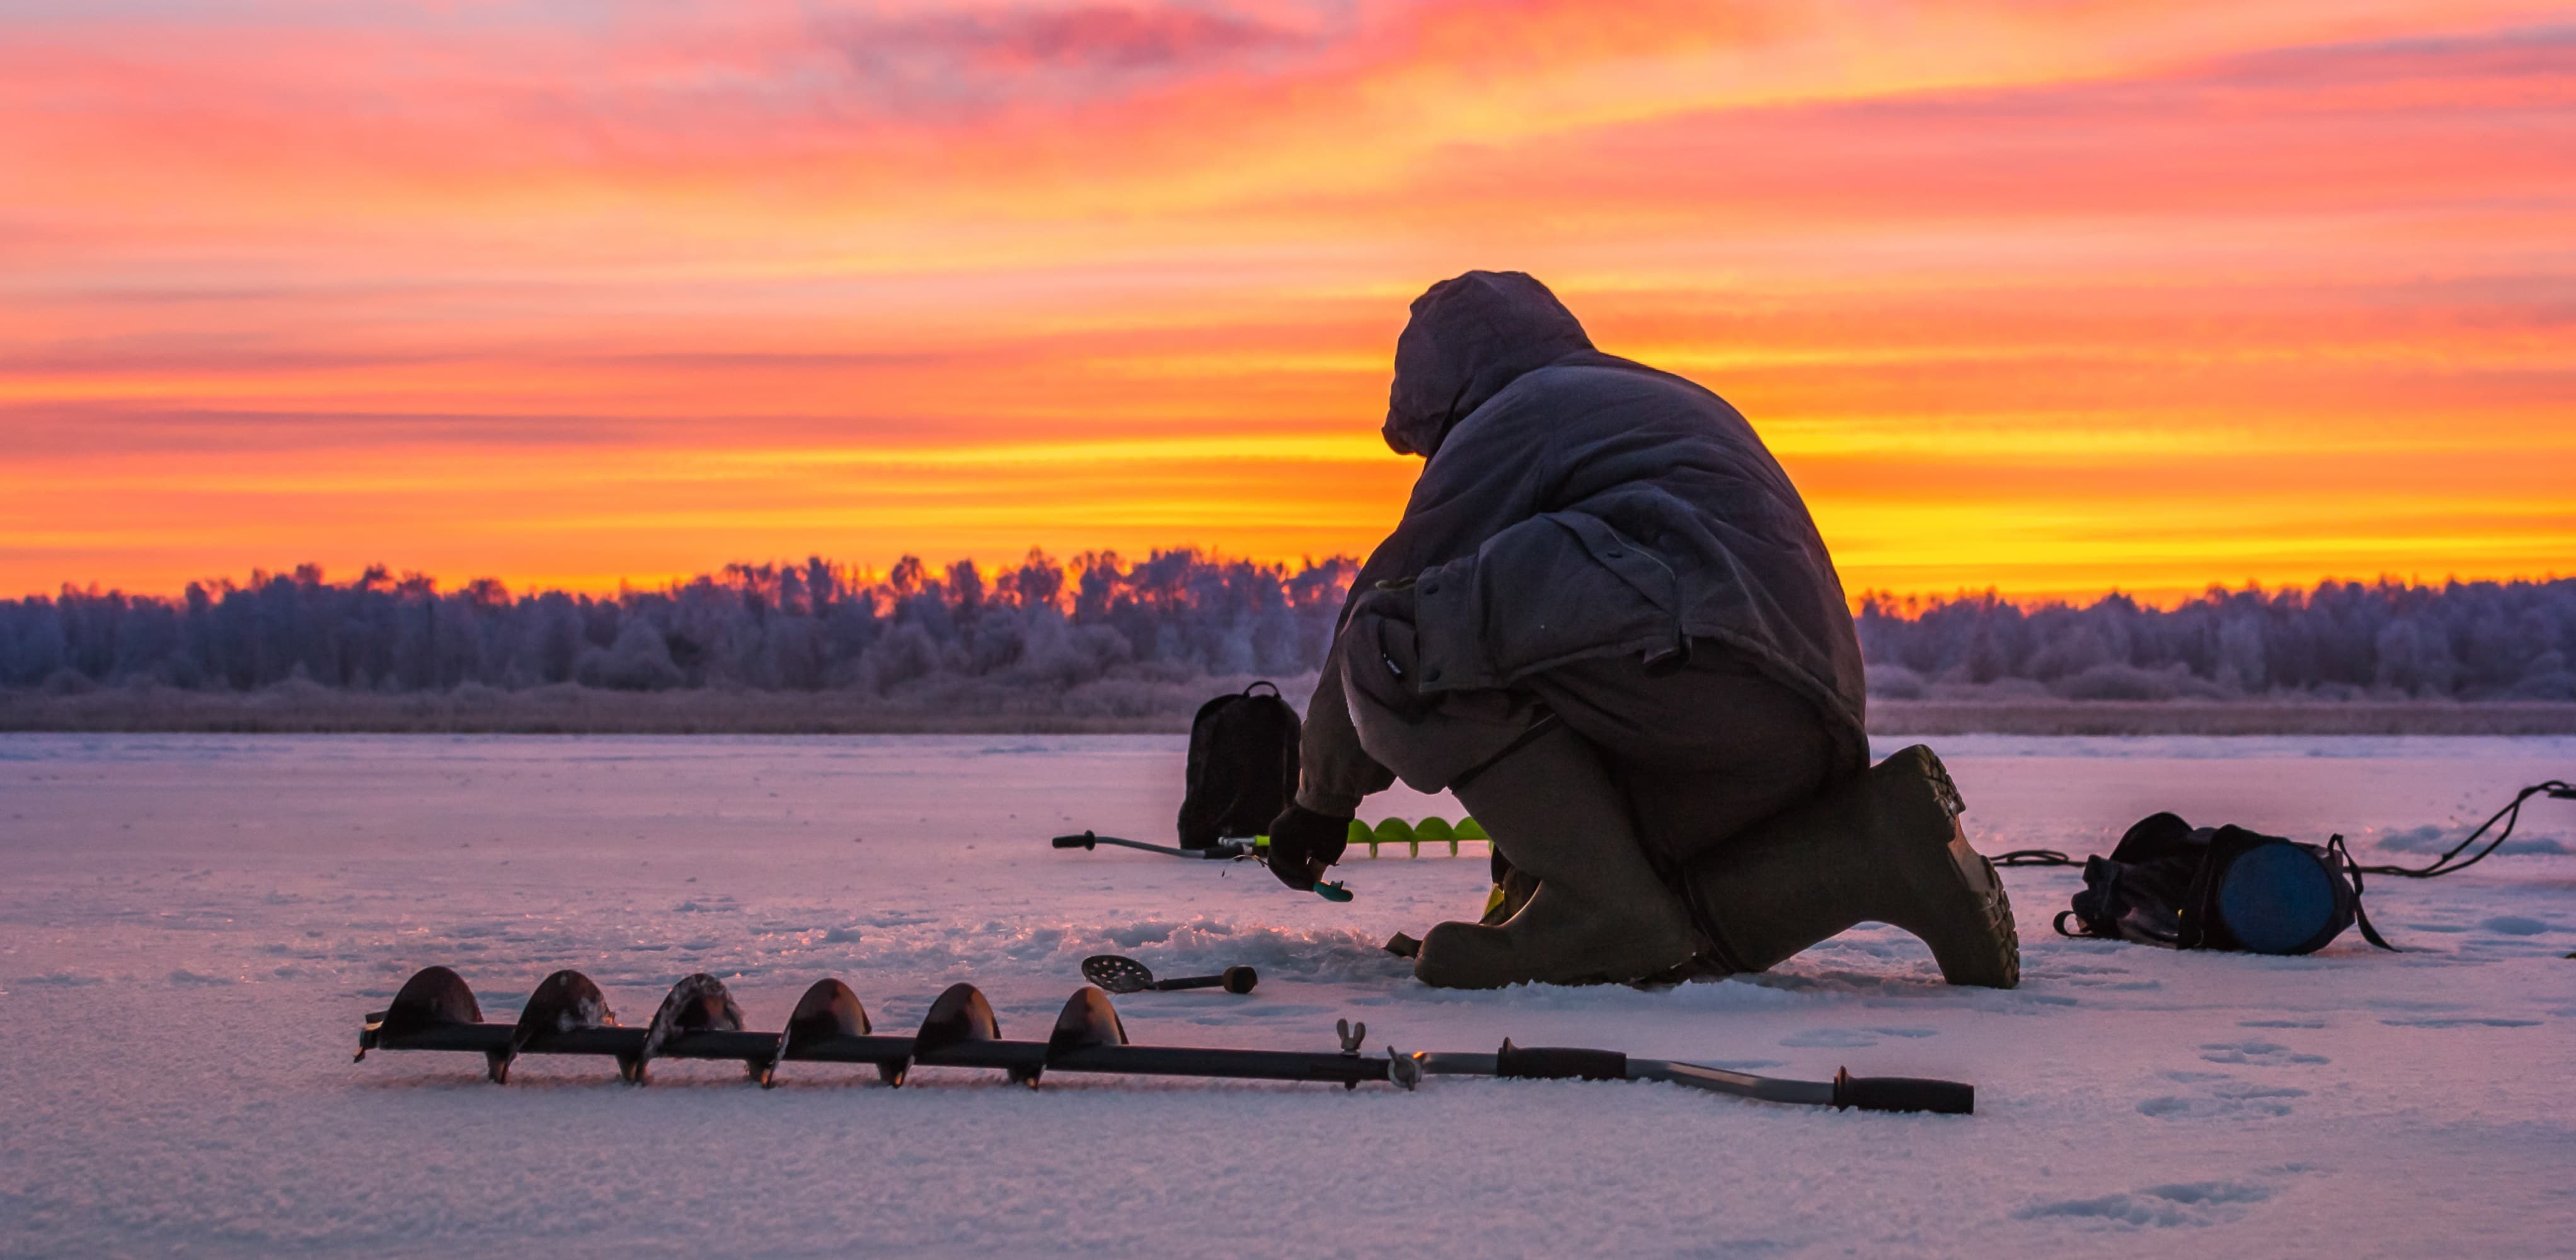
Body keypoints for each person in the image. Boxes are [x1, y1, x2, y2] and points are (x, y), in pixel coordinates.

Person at [1262, 271, 2020, 990]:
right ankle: (1878, 843)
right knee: (1671, 922)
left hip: (1697, 672)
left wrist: (1319, 803)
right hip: (1792, 734)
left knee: (1397, 641)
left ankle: (1599, 909)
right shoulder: (1650, 397)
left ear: (1441, 397)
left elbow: (1377, 614)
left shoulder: (1517, 413)